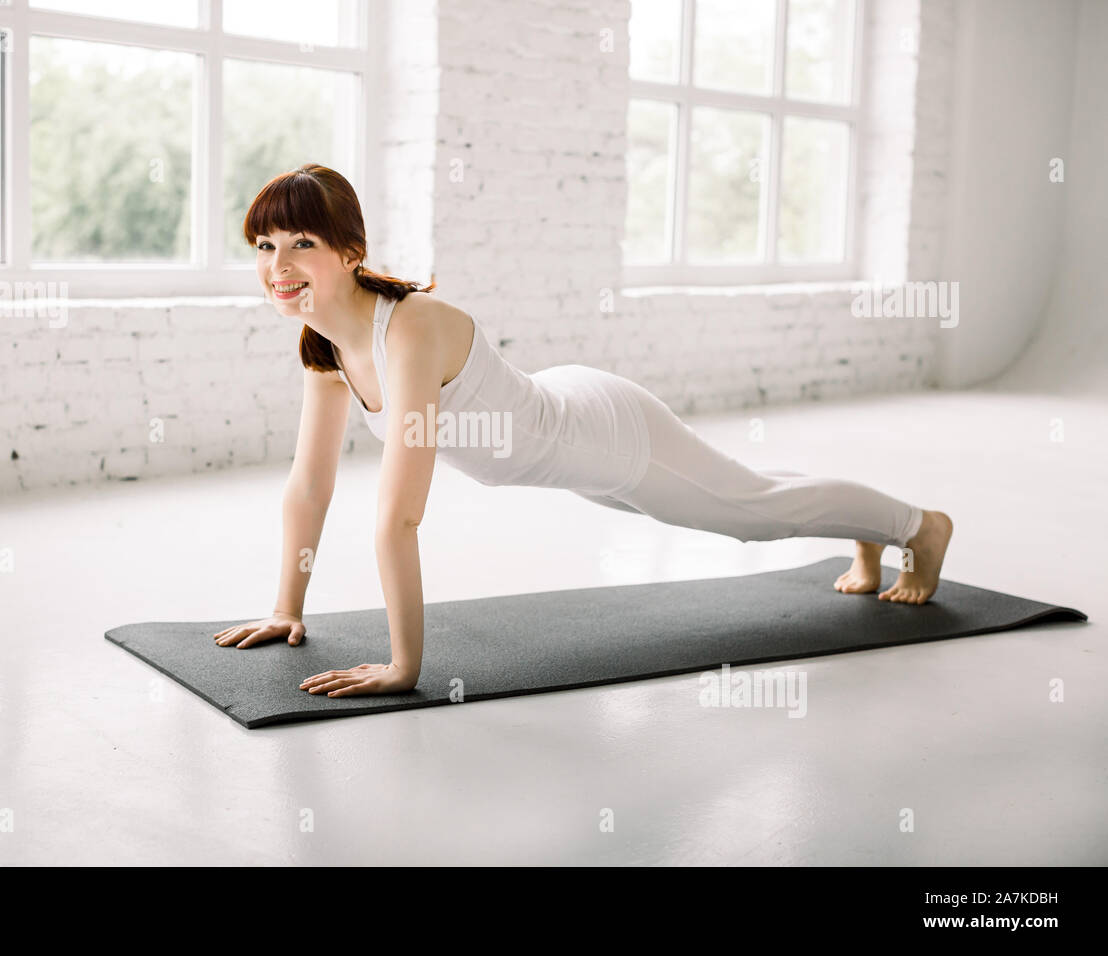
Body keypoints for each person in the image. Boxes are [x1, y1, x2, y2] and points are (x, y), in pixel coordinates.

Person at [212, 164, 954, 698]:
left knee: (749, 516)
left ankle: (918, 528)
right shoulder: (325, 344)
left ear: (348, 252)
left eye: (300, 243)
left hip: (605, 439)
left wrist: (404, 667)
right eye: (264, 247)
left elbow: (400, 515)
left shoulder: (407, 331)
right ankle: (867, 526)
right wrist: (287, 609)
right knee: (751, 494)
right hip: (569, 439)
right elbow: (309, 487)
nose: (278, 267)